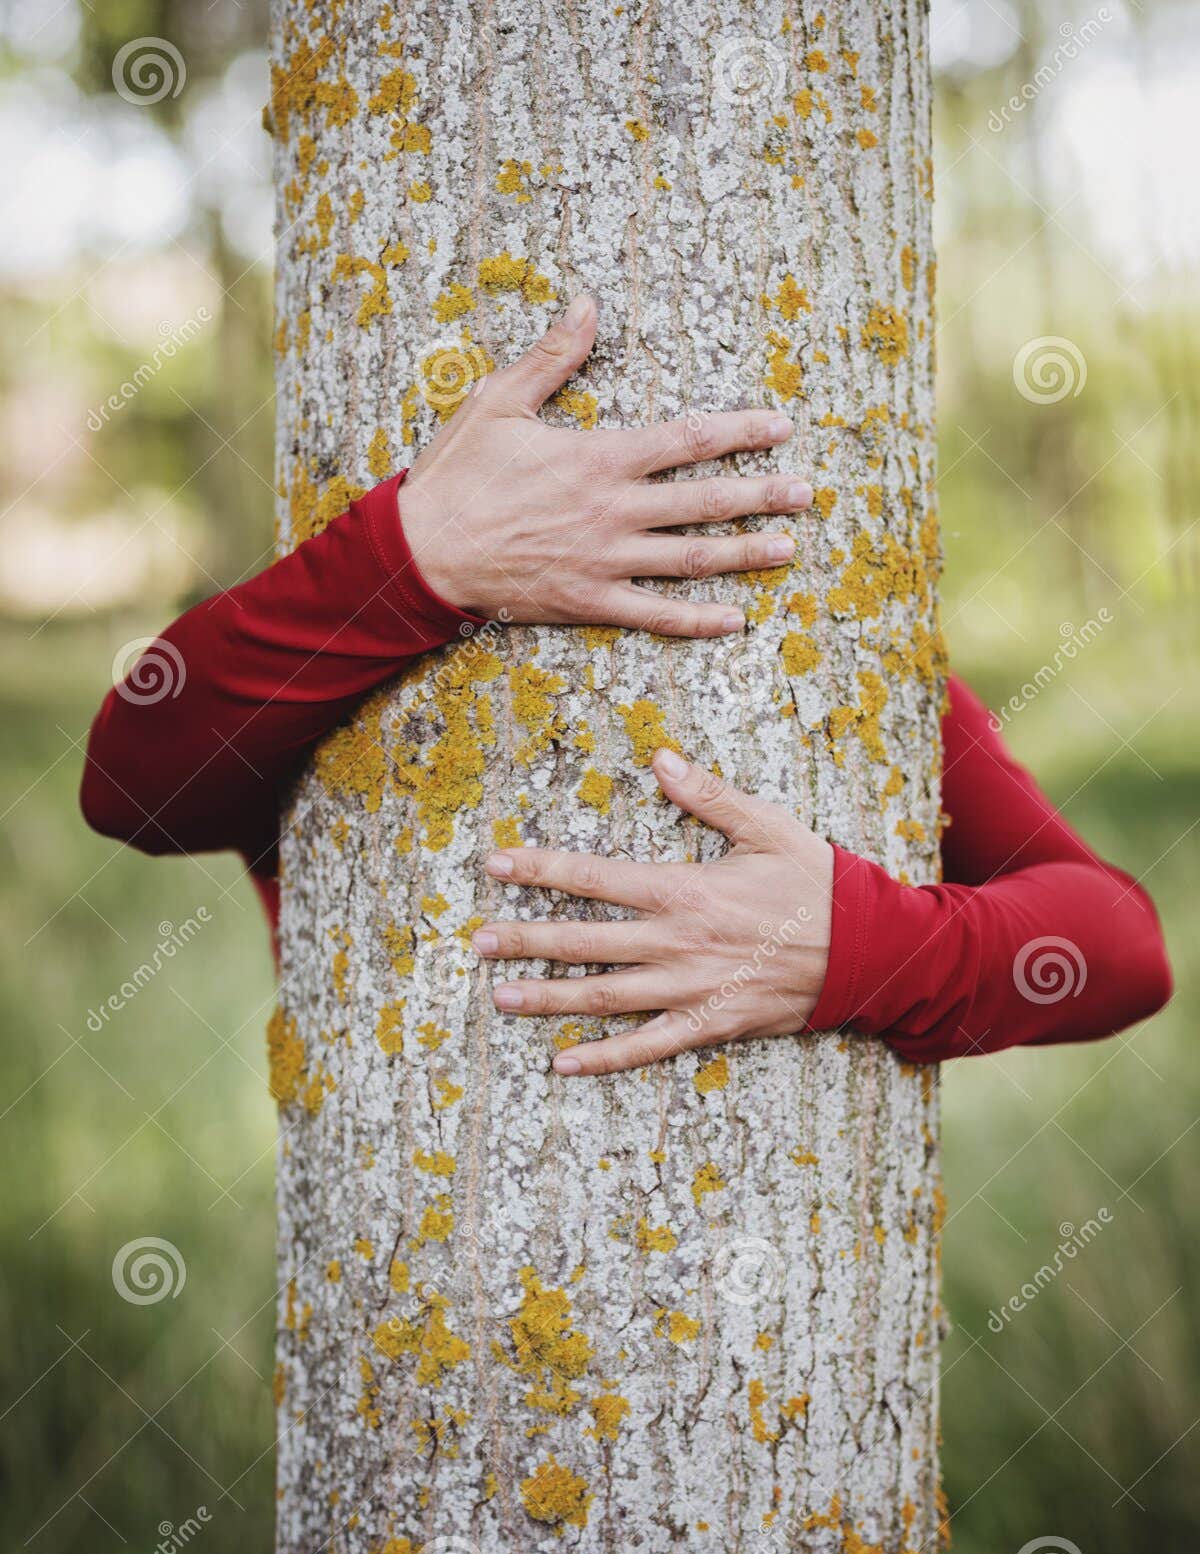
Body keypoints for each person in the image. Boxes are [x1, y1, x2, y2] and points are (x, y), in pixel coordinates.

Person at [80, 297, 1172, 1076]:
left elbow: (1122, 948)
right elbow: (132, 785)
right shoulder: (340, 641)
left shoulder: (853, 664)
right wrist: (422, 557)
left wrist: (864, 948)